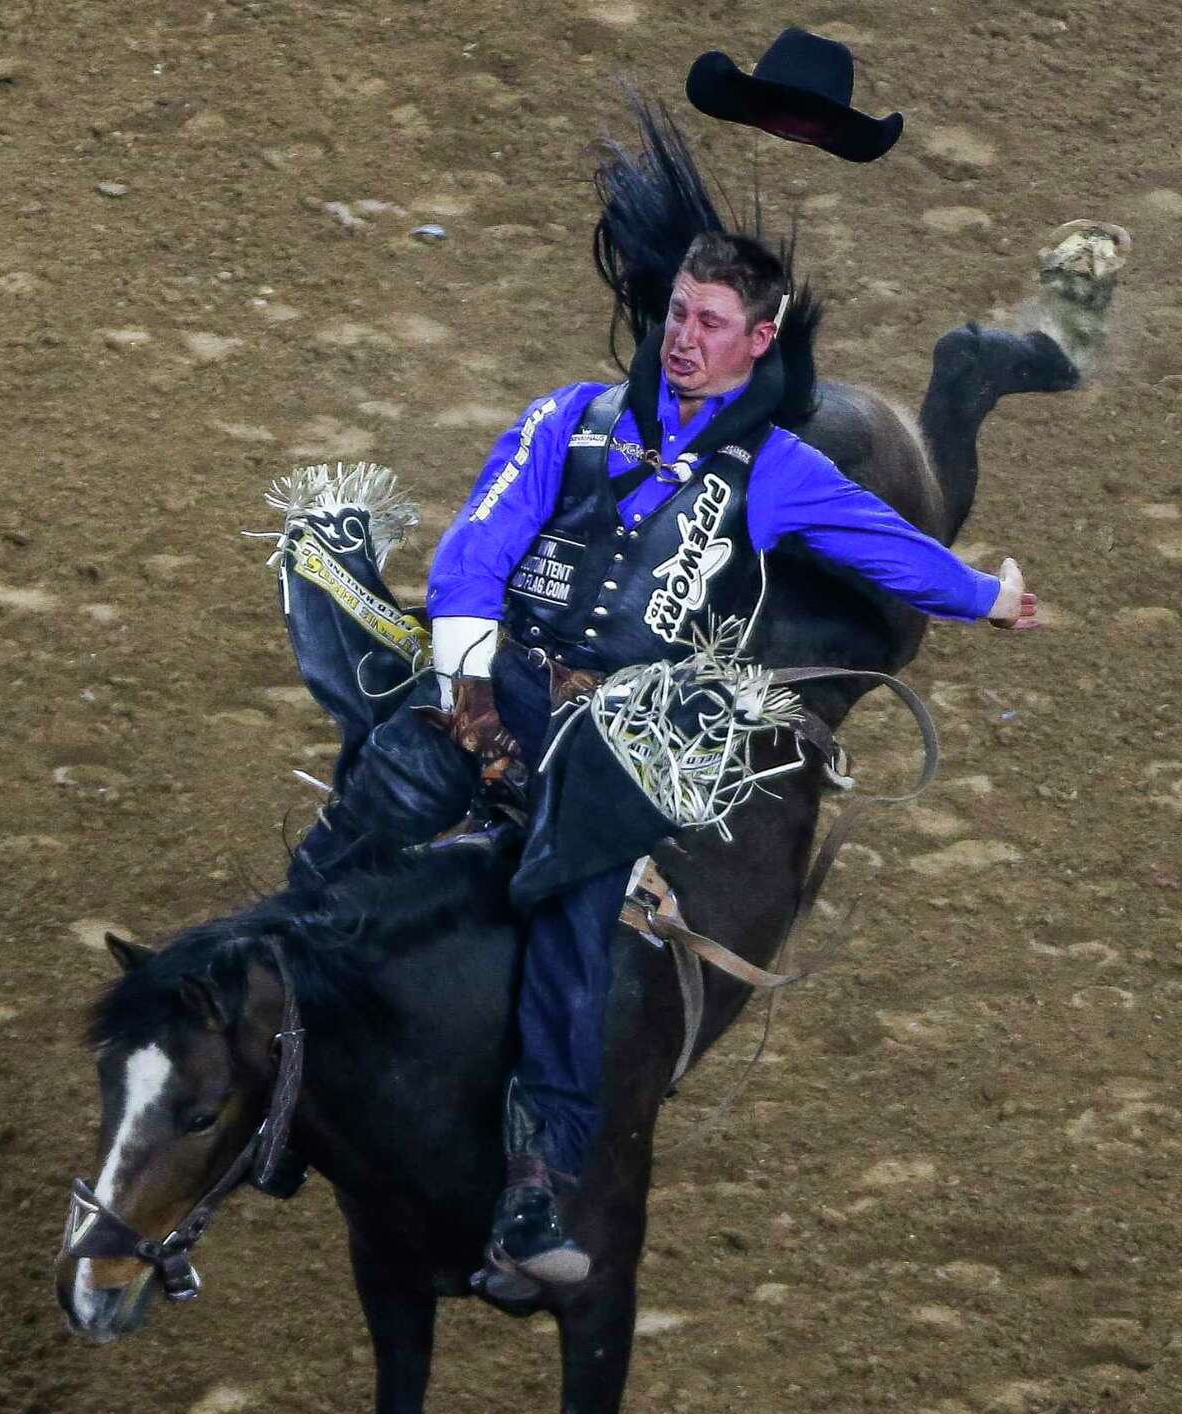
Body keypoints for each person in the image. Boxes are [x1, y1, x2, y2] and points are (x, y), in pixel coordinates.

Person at [423, 227, 1036, 1301]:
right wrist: (468, 686)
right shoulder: (568, 417)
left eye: (709, 323)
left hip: (618, 729)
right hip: (499, 681)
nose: (681, 338)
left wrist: (985, 595)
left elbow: (880, 543)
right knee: (366, 796)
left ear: (758, 342)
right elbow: (480, 542)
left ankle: (536, 1184)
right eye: (676, 314)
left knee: (573, 912)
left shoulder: (779, 473)